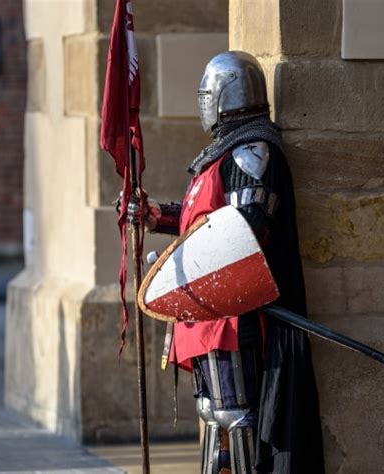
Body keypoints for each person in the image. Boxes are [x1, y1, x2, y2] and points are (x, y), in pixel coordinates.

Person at [136, 51, 325, 473]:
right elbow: (202, 226)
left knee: (236, 417)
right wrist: (156, 217)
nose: (201, 101)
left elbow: (244, 233)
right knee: (211, 412)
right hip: (208, 314)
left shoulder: (252, 152)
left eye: (205, 93)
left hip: (235, 319)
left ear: (222, 96)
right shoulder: (221, 155)